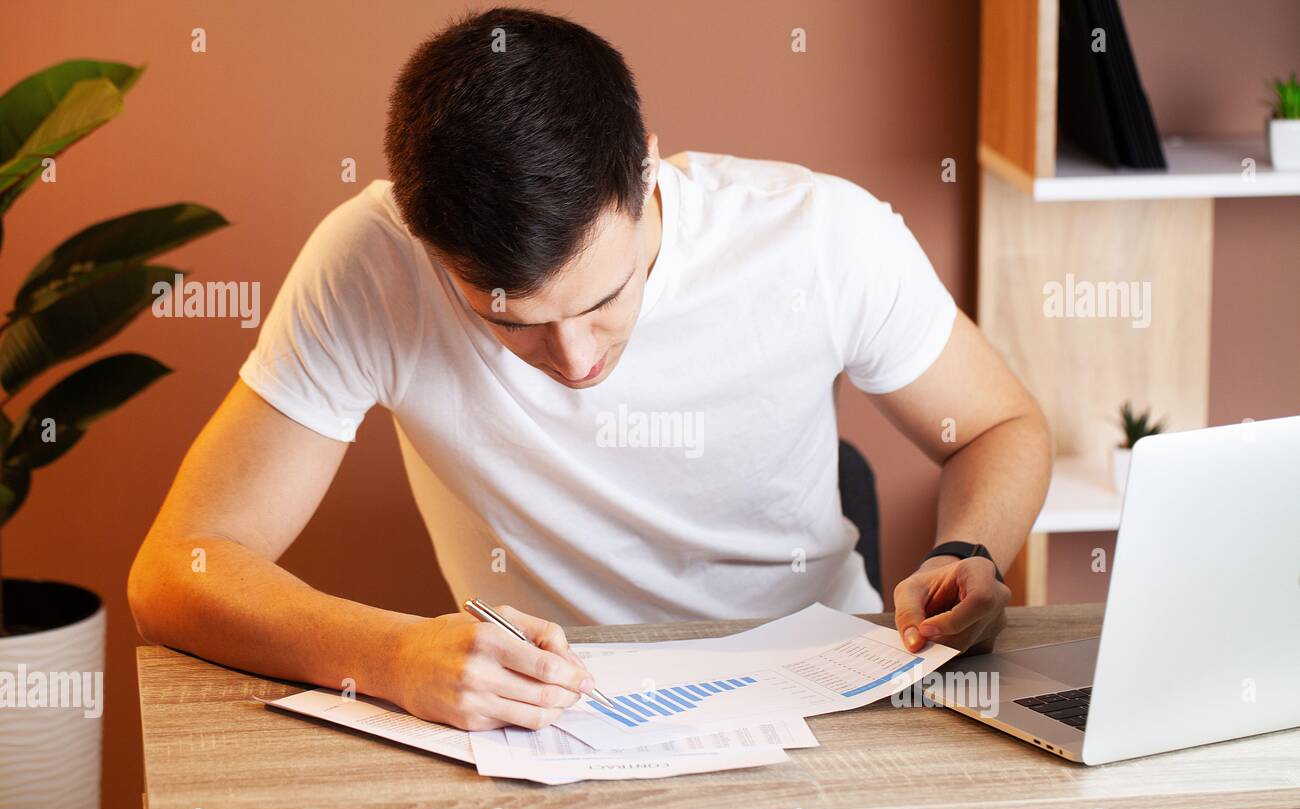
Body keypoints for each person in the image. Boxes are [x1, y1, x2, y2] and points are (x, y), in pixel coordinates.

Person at [129, 8, 1051, 732]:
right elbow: (179, 567)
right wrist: (391, 655)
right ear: (423, 239)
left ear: (647, 171)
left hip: (830, 691)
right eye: (511, 321)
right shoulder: (372, 262)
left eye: (604, 298)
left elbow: (999, 426)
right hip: (554, 720)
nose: (574, 362)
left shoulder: (819, 236)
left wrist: (966, 550)